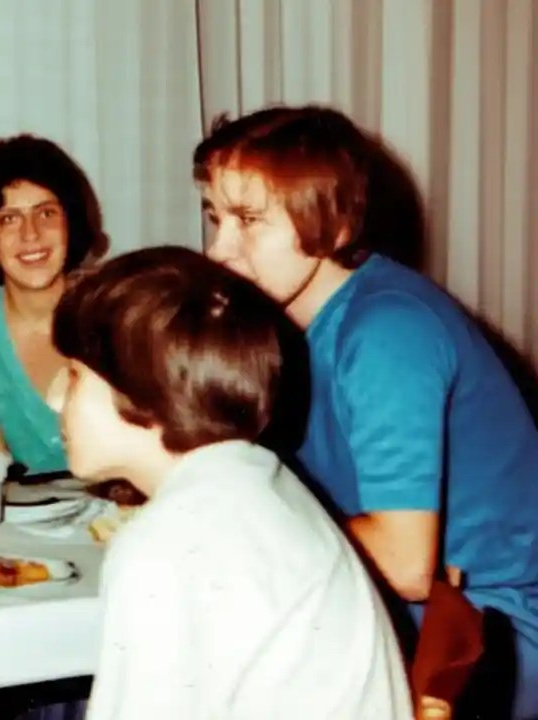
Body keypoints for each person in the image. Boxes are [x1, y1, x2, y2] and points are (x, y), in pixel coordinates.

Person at [194, 104, 538, 717]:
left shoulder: (386, 331)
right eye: (215, 216)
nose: (219, 249)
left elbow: (406, 563)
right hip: (399, 608)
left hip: (483, 638)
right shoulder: (293, 329)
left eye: (248, 220)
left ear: (333, 225)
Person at [48, 245, 411, 718]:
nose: (55, 399)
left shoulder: (163, 547)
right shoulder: (264, 478)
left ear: (144, 391)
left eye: (74, 376)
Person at [0, 134, 103, 474]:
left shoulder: (116, 312)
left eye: (46, 213)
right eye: (8, 218)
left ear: (70, 221)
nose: (31, 235)